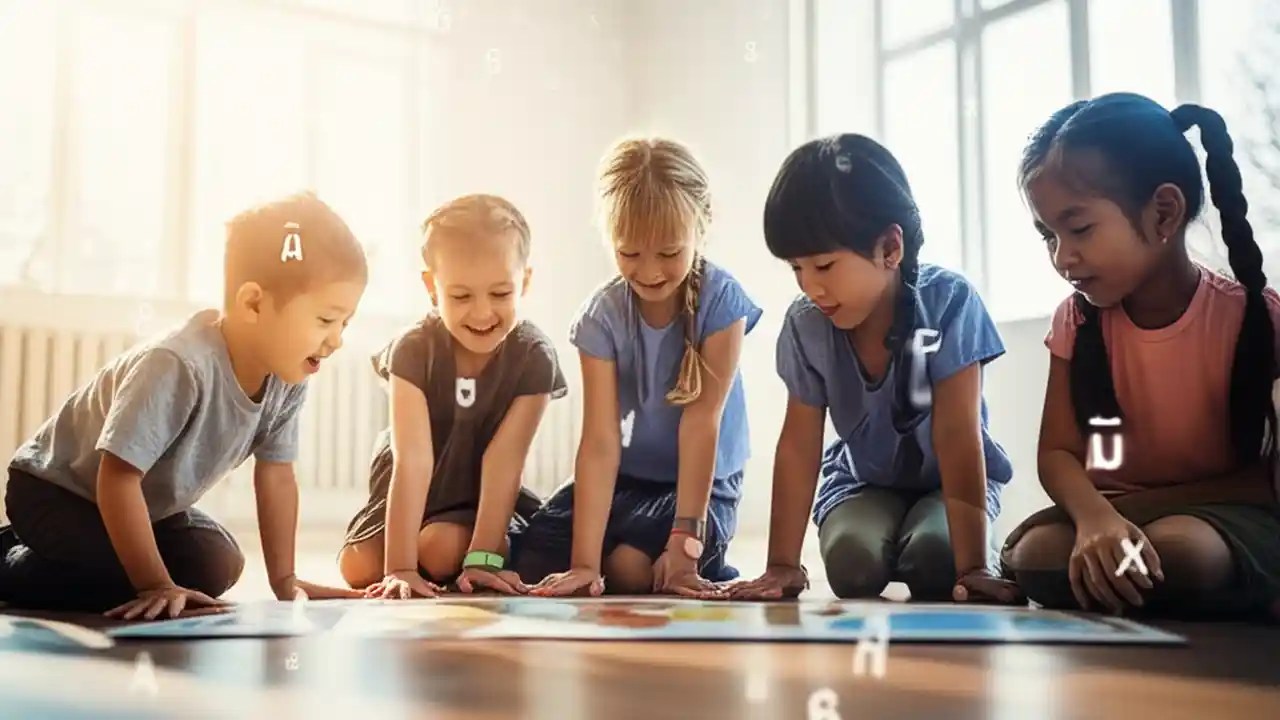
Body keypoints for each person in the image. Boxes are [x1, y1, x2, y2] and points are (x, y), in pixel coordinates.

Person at [0, 192, 368, 617]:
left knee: (215, 564)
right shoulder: (178, 364)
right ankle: (10, 558)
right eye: (325, 320)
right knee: (121, 580)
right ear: (254, 303)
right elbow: (116, 477)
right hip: (57, 492)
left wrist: (285, 581)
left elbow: (277, 477)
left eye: (345, 322)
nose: (337, 339)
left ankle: (105, 567)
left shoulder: (288, 376)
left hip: (145, 504)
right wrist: (154, 584)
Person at [1001, 93, 1280, 619]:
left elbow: (1266, 481)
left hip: (1223, 517)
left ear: (1163, 214)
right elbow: (1057, 454)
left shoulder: (1256, 318)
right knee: (1033, 554)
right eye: (1048, 236)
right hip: (1107, 517)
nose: (1063, 257)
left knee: (1181, 552)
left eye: (1079, 229)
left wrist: (1120, 512)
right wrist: (1093, 518)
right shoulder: (1076, 320)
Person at [728, 134, 1017, 604]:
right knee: (851, 567)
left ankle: (954, 544)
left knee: (937, 563)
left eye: (823, 264)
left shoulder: (949, 303)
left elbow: (959, 438)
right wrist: (781, 564)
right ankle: (891, 534)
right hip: (863, 481)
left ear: (890, 247)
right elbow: (799, 446)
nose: (810, 286)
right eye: (796, 269)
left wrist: (975, 568)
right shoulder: (807, 326)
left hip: (949, 485)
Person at [518, 137, 762, 596]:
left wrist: (686, 541)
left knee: (631, 569)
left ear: (701, 228)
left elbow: (701, 422)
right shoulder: (601, 317)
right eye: (630, 253)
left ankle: (705, 560)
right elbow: (600, 441)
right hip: (629, 479)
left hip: (699, 487)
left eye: (669, 253)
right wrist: (584, 566)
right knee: (532, 559)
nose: (650, 271)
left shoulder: (722, 301)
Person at [338, 194, 566, 599]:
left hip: (479, 495)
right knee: (357, 567)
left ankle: (487, 550)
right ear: (431, 285)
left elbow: (504, 461)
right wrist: (400, 569)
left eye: (500, 294)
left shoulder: (534, 356)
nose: (482, 313)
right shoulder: (412, 349)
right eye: (461, 296)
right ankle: (423, 558)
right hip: (418, 484)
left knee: (441, 550)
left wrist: (482, 561)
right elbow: (413, 460)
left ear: (524, 282)